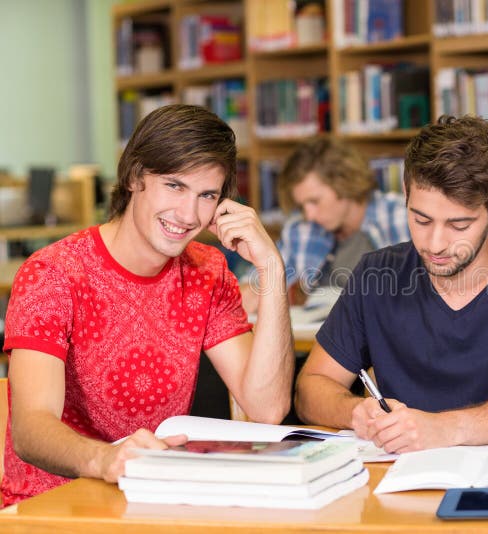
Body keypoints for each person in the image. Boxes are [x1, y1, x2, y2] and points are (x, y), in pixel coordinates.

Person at [1, 104, 294, 505]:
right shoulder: (52, 274)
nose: (188, 214)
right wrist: (106, 460)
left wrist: (272, 268)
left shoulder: (208, 272)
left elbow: (267, 408)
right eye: (175, 186)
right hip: (52, 504)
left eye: (206, 195)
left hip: (150, 500)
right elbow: (31, 429)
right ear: (135, 177)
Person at [294, 115, 488, 453]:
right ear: (406, 196)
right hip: (403, 481)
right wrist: (355, 412)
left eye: (458, 224)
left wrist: (442, 428)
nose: (435, 243)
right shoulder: (376, 273)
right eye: (421, 219)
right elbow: (311, 388)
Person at [241, 137, 409, 313]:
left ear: (344, 182)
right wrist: (254, 290)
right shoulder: (301, 230)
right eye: (302, 205)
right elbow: (256, 283)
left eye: (314, 201)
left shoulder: (401, 217)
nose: (309, 215)